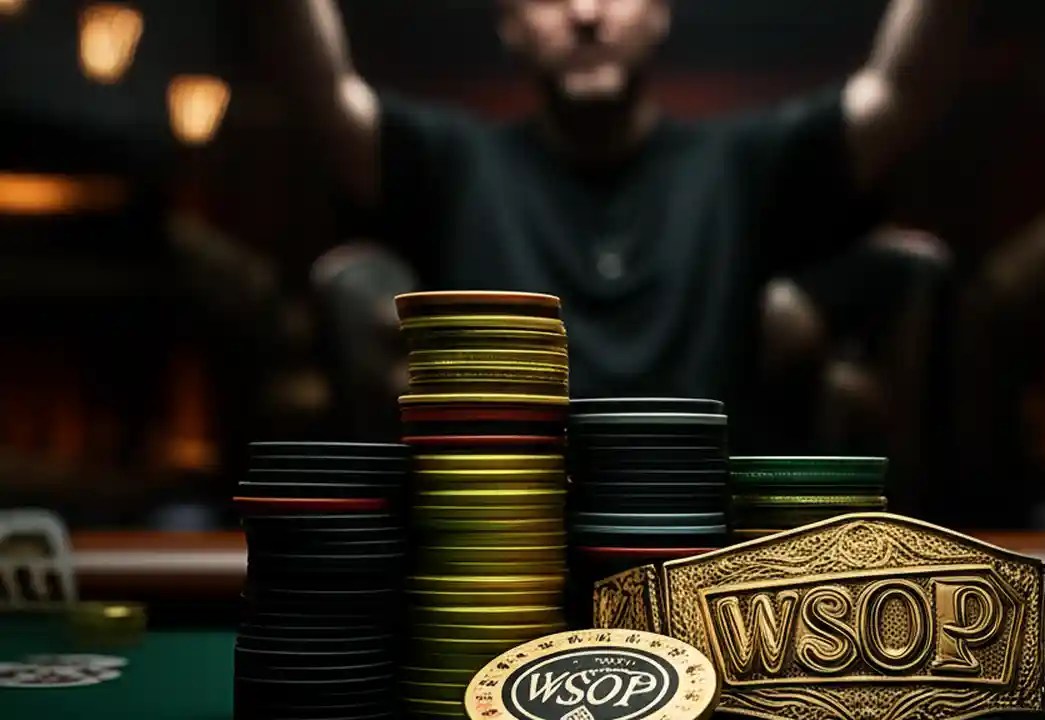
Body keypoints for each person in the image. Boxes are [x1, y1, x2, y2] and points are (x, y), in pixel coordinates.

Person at [256, 0, 970, 445]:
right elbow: (320, 92)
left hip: (703, 555)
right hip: (511, 558)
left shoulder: (740, 162)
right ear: (509, 23)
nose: (587, 12)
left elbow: (901, 91)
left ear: (661, 13)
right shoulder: (455, 162)